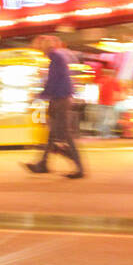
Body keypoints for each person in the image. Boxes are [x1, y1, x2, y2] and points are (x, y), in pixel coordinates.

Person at [24, 35, 85, 178]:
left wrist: (38, 96)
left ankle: (79, 168)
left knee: (64, 135)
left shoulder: (56, 58)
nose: (38, 50)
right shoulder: (54, 58)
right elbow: (53, 82)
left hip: (61, 100)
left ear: (45, 47)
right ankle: (43, 164)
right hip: (58, 99)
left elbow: (52, 82)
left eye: (39, 47)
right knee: (52, 135)